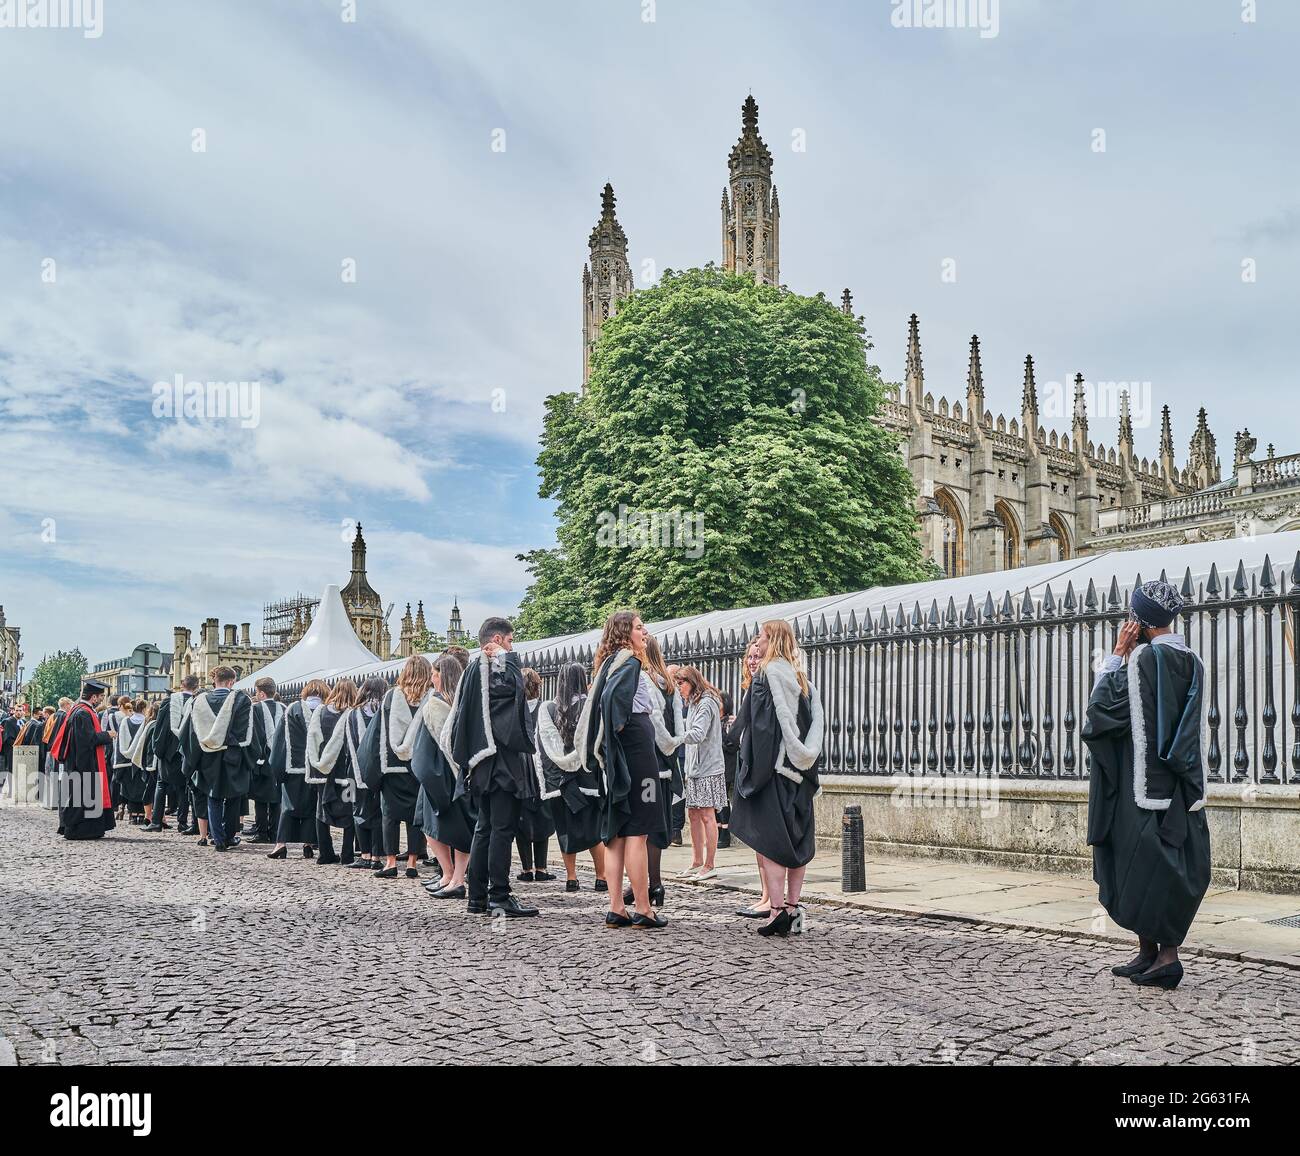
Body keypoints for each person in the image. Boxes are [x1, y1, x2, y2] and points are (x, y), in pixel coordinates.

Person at [1084, 579, 1210, 991]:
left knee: (1133, 867)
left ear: (1138, 621)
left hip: (1139, 788)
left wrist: (1118, 653)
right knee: (1171, 869)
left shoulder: (1140, 661)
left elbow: (1100, 712)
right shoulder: (1193, 659)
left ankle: (1164, 958)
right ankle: (1154, 954)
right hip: (1182, 787)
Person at [730, 620, 824, 938]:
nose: (758, 642)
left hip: (774, 773)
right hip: (801, 772)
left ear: (773, 641)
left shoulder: (765, 677)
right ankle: (794, 910)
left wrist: (752, 777)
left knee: (772, 844)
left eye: (762, 637)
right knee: (797, 842)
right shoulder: (801, 678)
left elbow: (761, 731)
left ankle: (776, 912)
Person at [576, 610, 667, 930]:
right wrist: (620, 735)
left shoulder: (607, 664)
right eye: (640, 627)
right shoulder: (630, 662)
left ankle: (617, 907)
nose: (645, 632)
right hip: (638, 755)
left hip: (619, 758)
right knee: (639, 834)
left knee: (616, 834)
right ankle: (643, 907)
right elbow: (616, 704)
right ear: (627, 633)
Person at [442, 616, 538, 918]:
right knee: (501, 829)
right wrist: (508, 657)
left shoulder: (473, 669)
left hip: (482, 763)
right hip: (501, 764)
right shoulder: (493, 665)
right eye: (510, 640)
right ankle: (499, 895)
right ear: (496, 640)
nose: (512, 646)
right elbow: (515, 687)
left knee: (484, 828)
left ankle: (478, 897)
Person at [533, 661, 606, 892]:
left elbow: (545, 746)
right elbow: (599, 742)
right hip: (588, 778)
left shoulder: (549, 709)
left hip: (561, 781)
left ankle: (572, 878)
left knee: (565, 829)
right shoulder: (592, 706)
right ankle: (601, 877)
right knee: (593, 831)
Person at [358, 656, 430, 880]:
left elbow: (378, 733)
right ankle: (412, 863)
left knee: (389, 816)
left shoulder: (391, 696)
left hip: (391, 767)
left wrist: (374, 767)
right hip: (418, 768)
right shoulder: (429, 699)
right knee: (415, 818)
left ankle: (390, 862)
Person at [411, 656, 475, 899]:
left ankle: (457, 878)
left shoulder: (445, 704)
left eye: (434, 673)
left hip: (449, 774)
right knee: (430, 827)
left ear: (442, 675)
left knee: (458, 830)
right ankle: (449, 874)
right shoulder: (446, 702)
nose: (431, 678)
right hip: (438, 774)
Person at [179, 666, 261, 852]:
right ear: (232, 681)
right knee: (233, 797)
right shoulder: (241, 700)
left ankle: (217, 838)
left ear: (214, 680)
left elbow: (191, 734)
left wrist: (193, 760)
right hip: (234, 756)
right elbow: (248, 732)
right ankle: (229, 835)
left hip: (207, 756)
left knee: (213, 796)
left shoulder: (199, 701)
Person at [674, 666, 727, 880]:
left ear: (692, 682)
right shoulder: (695, 703)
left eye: (681, 684)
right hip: (695, 768)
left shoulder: (706, 703)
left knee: (707, 815)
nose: (679, 688)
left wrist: (676, 736)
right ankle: (697, 861)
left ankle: (710, 864)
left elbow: (698, 733)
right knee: (693, 814)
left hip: (708, 767)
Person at [48, 679, 117, 840]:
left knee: (81, 797)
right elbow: (87, 739)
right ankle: (79, 830)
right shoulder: (83, 713)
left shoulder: (79, 710)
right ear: (93, 697)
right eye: (100, 697)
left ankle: (89, 829)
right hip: (83, 763)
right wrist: (107, 735)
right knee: (80, 798)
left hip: (80, 761)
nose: (101, 700)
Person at [266, 680, 327, 860]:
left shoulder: (291, 709)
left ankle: (281, 844)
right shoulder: (325, 710)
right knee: (311, 805)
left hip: (293, 766)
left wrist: (277, 768)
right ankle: (308, 845)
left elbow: (280, 741)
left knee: (288, 806)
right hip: (317, 767)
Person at [307, 678, 359, 866]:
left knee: (321, 811)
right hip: (347, 774)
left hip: (324, 772)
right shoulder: (354, 713)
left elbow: (313, 738)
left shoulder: (321, 712)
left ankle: (325, 853)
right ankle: (347, 854)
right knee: (350, 811)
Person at [515, 667, 555, 882]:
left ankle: (526, 869)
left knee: (521, 818)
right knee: (543, 816)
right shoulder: (544, 708)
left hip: (520, 768)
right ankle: (541, 867)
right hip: (541, 767)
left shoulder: (514, 709)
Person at [146, 675, 198, 833]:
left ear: (182, 684)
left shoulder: (169, 701)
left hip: (168, 751)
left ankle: (156, 822)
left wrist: (158, 749)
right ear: (196, 687)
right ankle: (182, 822)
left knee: (161, 785)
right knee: (183, 788)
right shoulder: (197, 702)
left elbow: (160, 728)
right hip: (186, 751)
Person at [345, 677, 387, 870]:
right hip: (381, 771)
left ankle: (364, 854)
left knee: (357, 811)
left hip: (354, 770)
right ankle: (377, 857)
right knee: (378, 813)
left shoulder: (353, 713)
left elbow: (347, 745)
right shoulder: (385, 711)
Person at [247, 676, 285, 844]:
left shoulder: (255, 709)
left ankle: (261, 832)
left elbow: (252, 736)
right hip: (280, 760)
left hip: (261, 759)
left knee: (261, 799)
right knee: (276, 799)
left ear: (261, 693)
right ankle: (275, 831)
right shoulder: (284, 708)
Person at [116, 699, 155, 825]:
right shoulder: (147, 722)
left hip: (126, 762)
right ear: (144, 709)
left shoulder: (125, 721)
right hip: (141, 760)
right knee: (142, 787)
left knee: (130, 787)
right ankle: (143, 814)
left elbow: (120, 742)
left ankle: (132, 815)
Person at [717, 690, 736, 849]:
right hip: (715, 763)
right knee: (716, 799)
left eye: (720, 701)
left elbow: (732, 744)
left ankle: (725, 832)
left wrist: (718, 741)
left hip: (727, 763)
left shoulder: (729, 721)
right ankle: (718, 829)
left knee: (722, 798)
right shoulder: (714, 720)